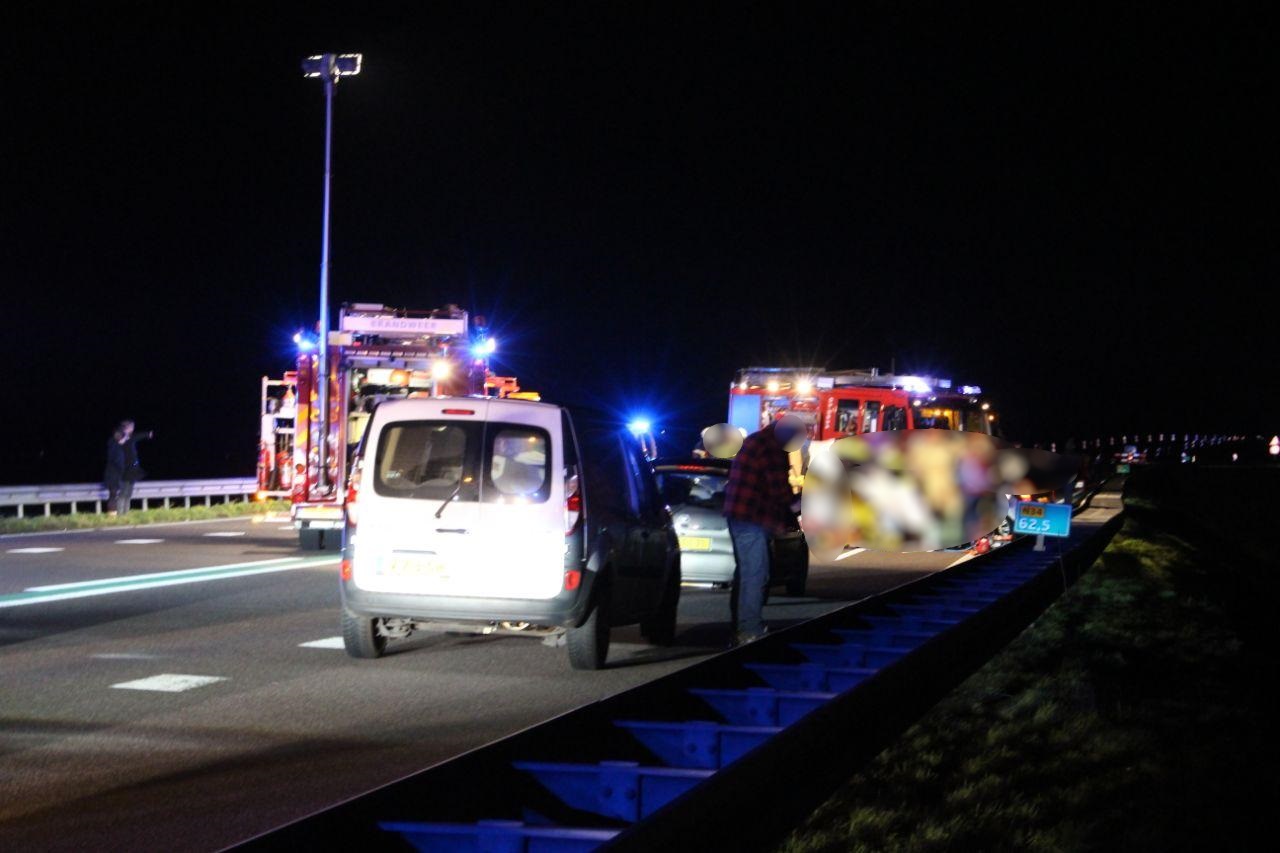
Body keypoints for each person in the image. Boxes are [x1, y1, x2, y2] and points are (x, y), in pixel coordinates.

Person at [722, 414, 805, 645]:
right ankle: (749, 630)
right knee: (755, 574)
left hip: (741, 514)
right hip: (750, 518)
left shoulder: (757, 440)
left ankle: (739, 628)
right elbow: (779, 489)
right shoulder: (770, 448)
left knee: (748, 573)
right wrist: (798, 505)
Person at [107, 420, 154, 514]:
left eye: (133, 427)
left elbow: (138, 436)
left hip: (133, 468)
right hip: (124, 469)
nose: (132, 429)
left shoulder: (131, 437)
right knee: (123, 493)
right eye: (131, 427)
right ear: (126, 427)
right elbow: (119, 441)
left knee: (128, 493)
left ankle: (126, 513)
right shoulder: (119, 435)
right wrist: (125, 436)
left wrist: (147, 434)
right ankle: (120, 514)